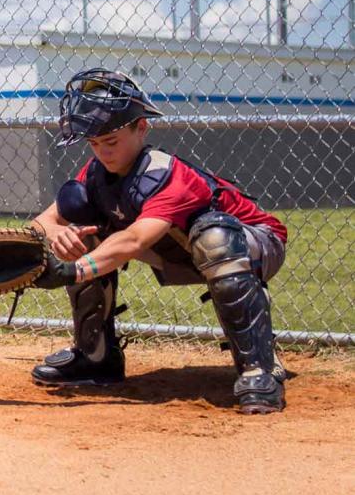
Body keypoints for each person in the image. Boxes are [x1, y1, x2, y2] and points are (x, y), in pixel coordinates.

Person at [27, 69, 288, 414]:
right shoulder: (97, 175)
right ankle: (96, 357)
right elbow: (43, 220)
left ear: (142, 128)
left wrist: (72, 271)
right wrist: (54, 235)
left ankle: (260, 368)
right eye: (94, 143)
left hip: (256, 242)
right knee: (84, 232)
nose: (103, 152)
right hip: (182, 248)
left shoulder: (166, 175)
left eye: (112, 141)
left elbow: (135, 239)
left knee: (215, 239)